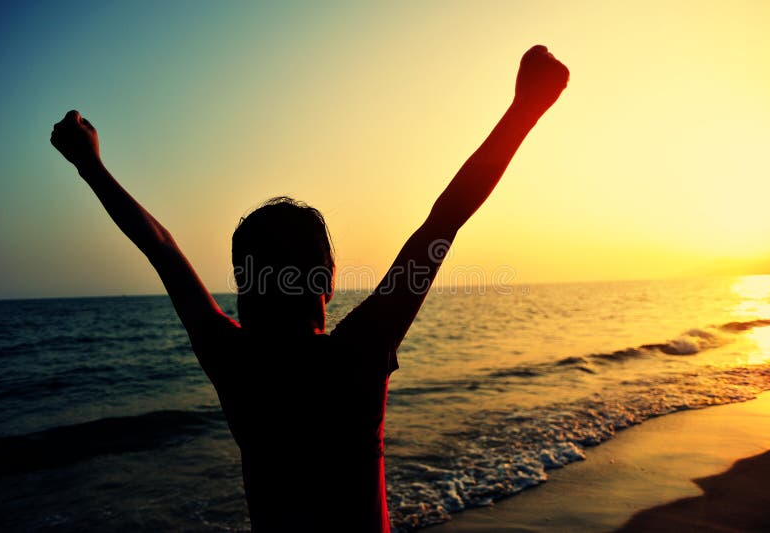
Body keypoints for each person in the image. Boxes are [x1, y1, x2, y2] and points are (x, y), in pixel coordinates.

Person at [50, 44, 568, 533]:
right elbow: (444, 221)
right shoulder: (358, 353)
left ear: (242, 282)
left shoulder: (233, 361)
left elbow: (161, 248)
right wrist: (526, 109)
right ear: (326, 278)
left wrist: (91, 166)